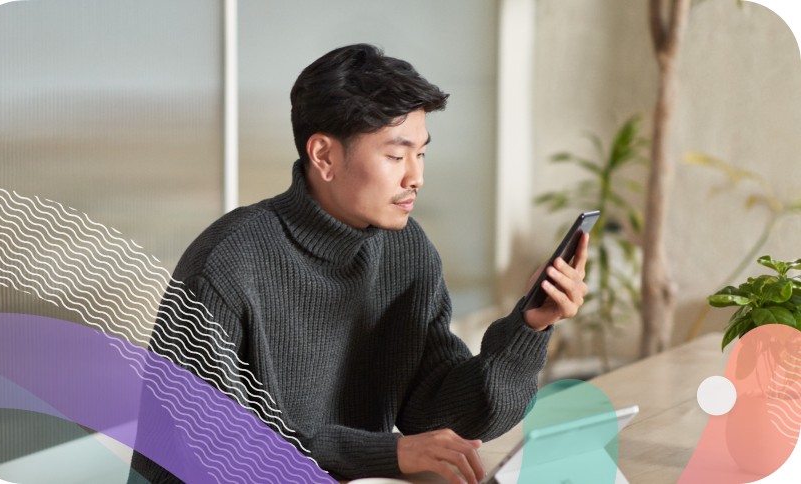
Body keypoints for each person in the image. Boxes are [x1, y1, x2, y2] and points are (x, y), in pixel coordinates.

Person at [130, 43, 588, 483]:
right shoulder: (228, 262)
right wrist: (386, 453)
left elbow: (444, 417)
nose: (417, 176)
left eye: (422, 153)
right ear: (324, 155)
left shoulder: (406, 251)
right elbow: (202, 450)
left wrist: (528, 328)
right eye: (395, 155)